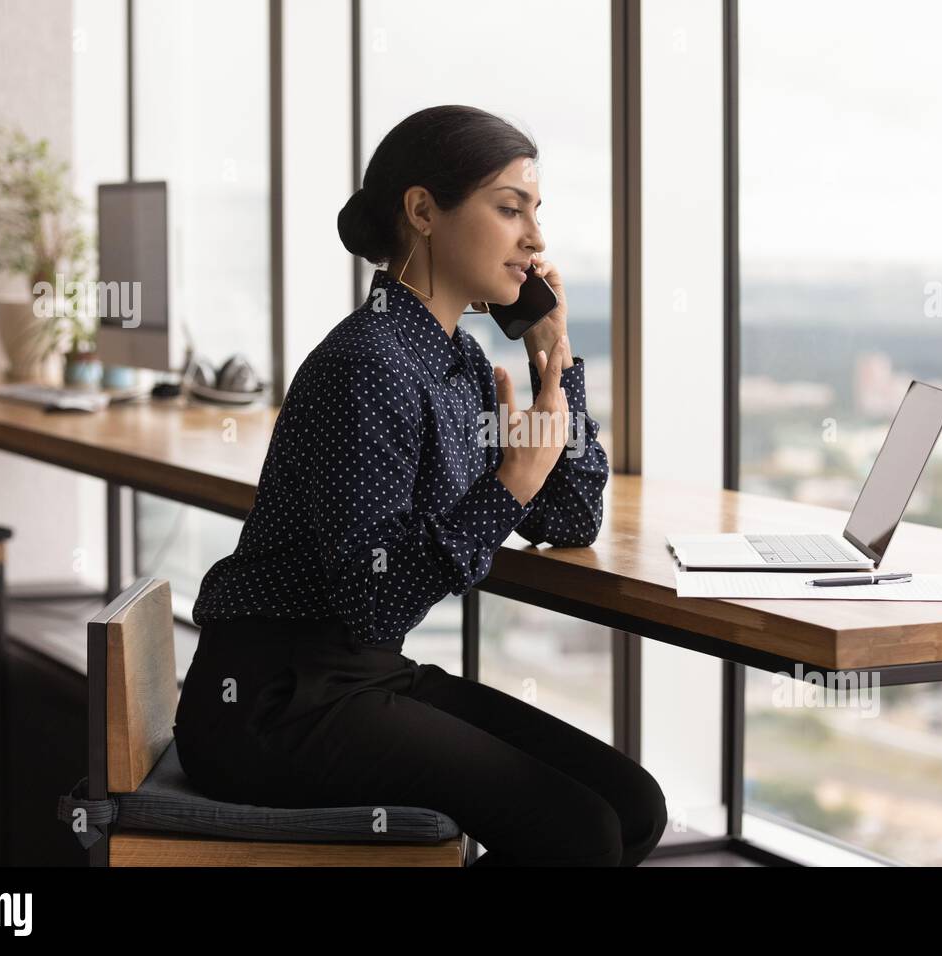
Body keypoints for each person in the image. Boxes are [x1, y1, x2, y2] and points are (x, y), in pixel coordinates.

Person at [173, 104, 667, 866]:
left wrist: (551, 354)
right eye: (510, 210)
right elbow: (373, 599)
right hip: (275, 701)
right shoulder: (367, 366)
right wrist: (507, 486)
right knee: (577, 831)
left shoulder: (461, 363)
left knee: (633, 808)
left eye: (536, 214)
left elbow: (572, 515)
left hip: (365, 676)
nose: (535, 239)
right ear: (422, 211)